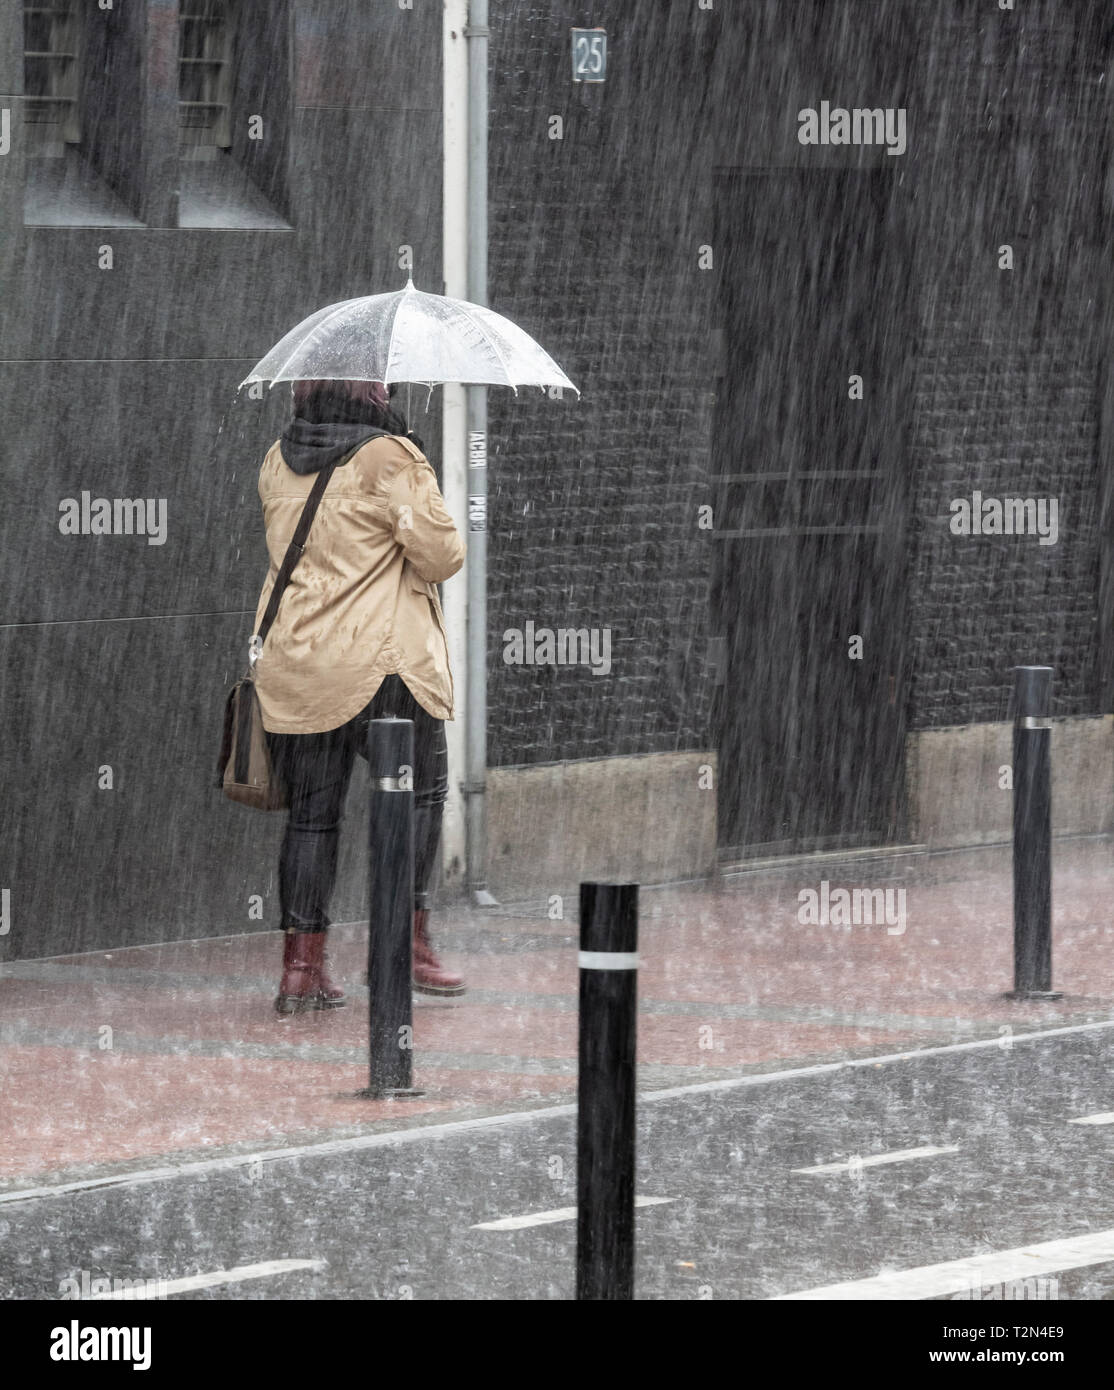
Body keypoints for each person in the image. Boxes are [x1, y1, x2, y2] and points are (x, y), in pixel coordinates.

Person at [251, 377, 466, 1016]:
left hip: (300, 663)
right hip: (381, 663)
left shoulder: (276, 456)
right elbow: (442, 554)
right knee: (420, 794)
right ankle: (404, 947)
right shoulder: (388, 456)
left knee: (313, 815)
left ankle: (301, 966)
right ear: (371, 389)